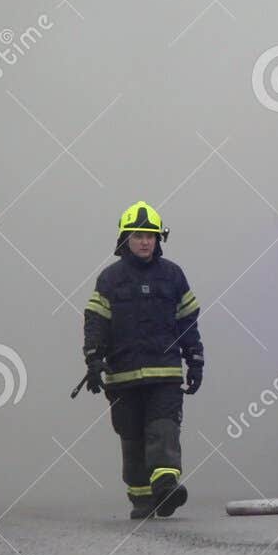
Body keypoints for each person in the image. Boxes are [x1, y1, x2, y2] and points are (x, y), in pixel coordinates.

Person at [82, 201, 205, 519]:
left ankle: (166, 486)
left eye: (150, 235)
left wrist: (195, 361)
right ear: (125, 239)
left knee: (164, 428)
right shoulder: (109, 279)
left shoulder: (173, 276)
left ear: (159, 239)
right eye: (138, 235)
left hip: (164, 374)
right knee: (132, 437)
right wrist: (93, 360)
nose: (145, 241)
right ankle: (142, 498)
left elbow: (188, 323)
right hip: (122, 377)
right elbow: (96, 321)